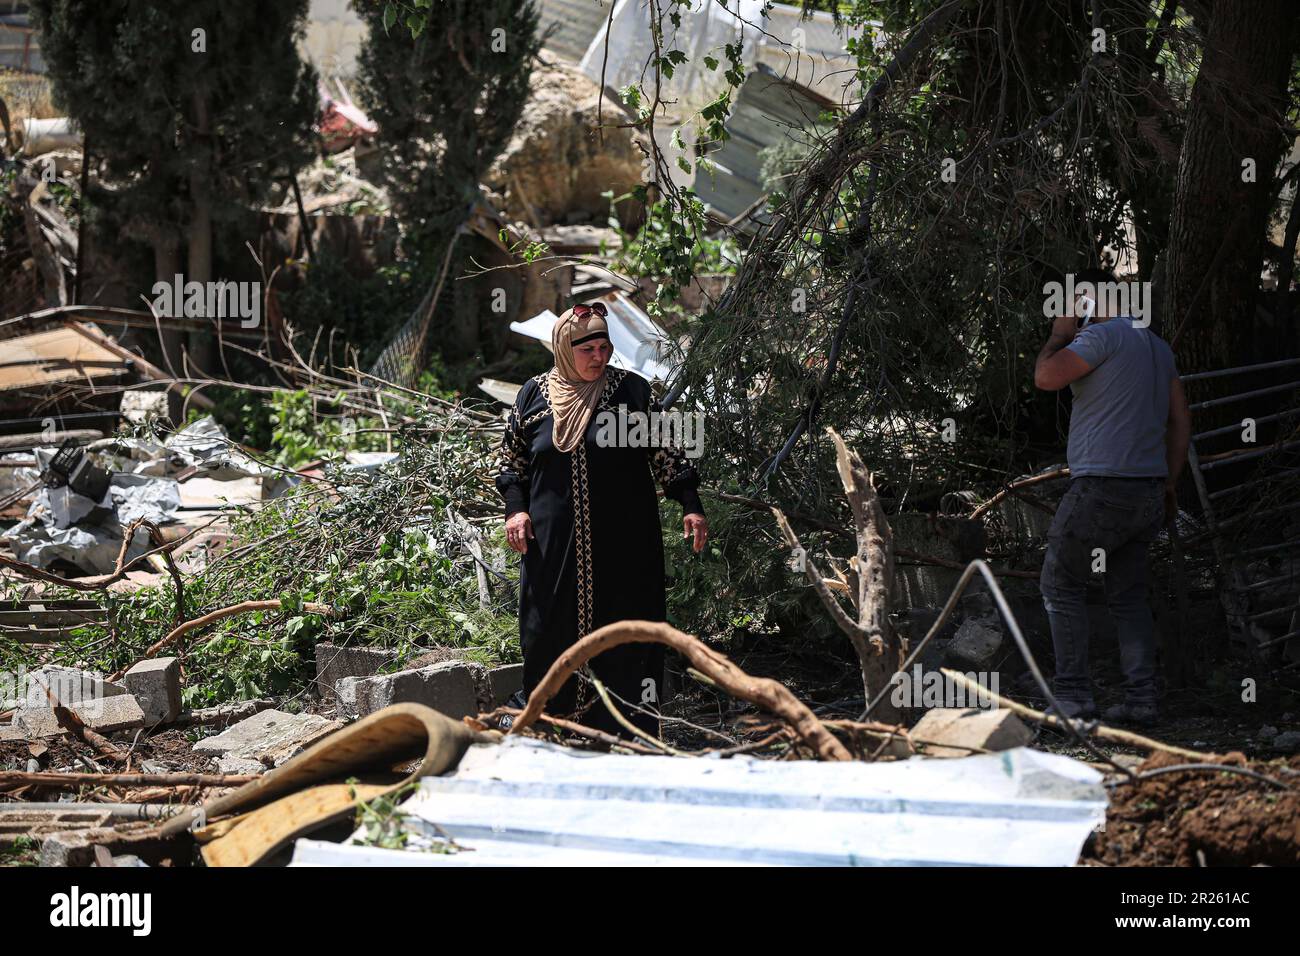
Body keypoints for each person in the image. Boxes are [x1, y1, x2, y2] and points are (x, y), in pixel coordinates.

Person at [495, 302, 708, 736]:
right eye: (588, 348)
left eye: (605, 345)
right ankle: (551, 719)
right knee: (546, 628)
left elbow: (665, 452)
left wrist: (690, 502)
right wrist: (515, 508)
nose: (600, 356)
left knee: (628, 629)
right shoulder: (532, 395)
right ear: (562, 349)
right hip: (551, 544)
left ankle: (630, 727)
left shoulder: (633, 392)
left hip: (625, 542)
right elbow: (511, 461)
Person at [1033, 268, 1191, 726]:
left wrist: (1058, 333)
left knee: (1060, 586)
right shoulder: (1158, 348)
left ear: (1085, 299)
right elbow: (1180, 423)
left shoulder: (1101, 338)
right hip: (1146, 492)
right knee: (1128, 597)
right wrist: (1167, 483)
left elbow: (1046, 377)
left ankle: (1073, 697)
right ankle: (1142, 699)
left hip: (1102, 489)